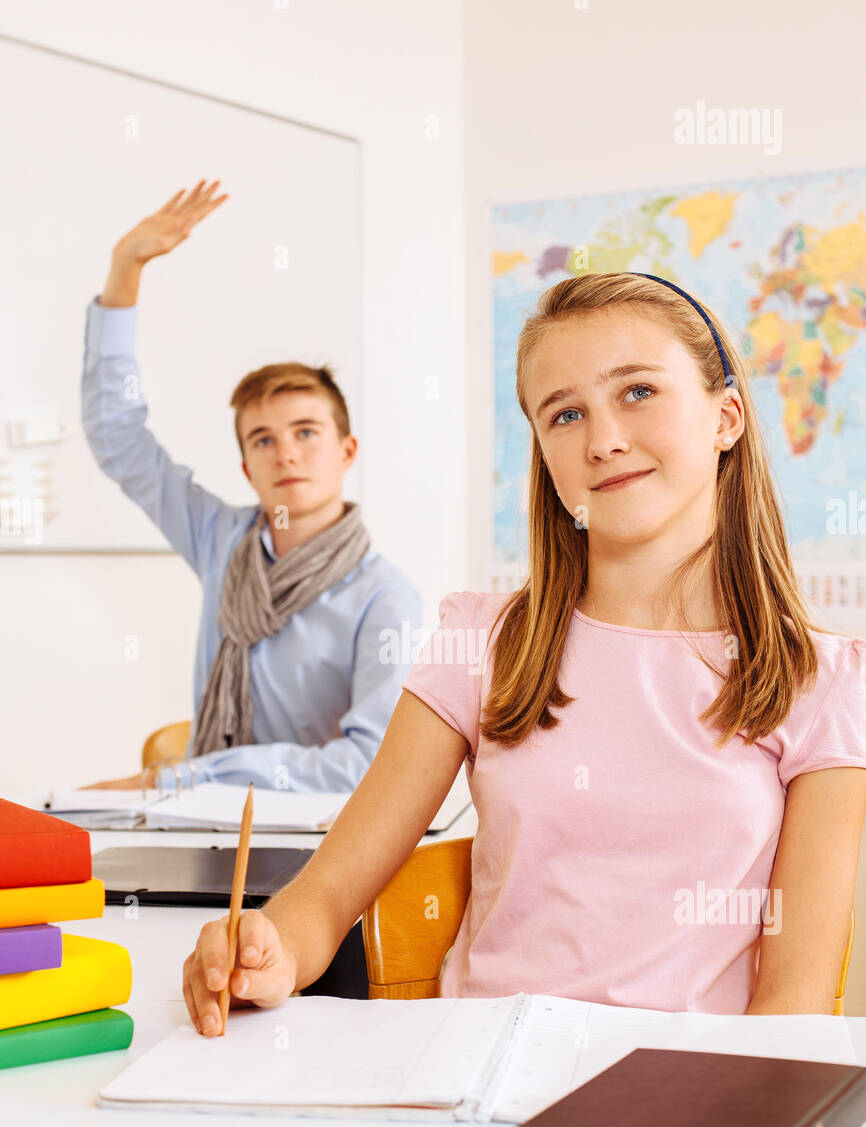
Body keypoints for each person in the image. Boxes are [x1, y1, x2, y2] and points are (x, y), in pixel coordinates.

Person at [182, 270, 866, 1032]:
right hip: (475, 1079)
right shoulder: (482, 640)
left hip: (686, 1107)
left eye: (638, 391)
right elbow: (328, 897)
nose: (604, 440)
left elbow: (792, 1009)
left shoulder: (823, 680)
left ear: (726, 417)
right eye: (565, 414)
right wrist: (270, 945)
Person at [80, 179, 422, 798]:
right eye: (262, 439)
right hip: (200, 826)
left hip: (320, 850)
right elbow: (117, 436)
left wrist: (190, 776)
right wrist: (124, 270)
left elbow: (367, 765)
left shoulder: (386, 597)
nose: (286, 452)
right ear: (246, 468)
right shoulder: (220, 539)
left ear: (347, 450)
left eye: (306, 432)